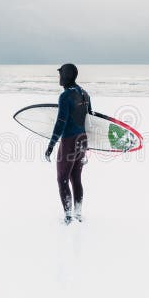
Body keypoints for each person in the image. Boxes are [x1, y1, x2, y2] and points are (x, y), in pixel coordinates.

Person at [45, 63, 91, 224]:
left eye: (61, 74)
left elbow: (61, 122)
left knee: (62, 179)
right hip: (82, 139)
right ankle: (78, 213)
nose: (59, 77)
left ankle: (68, 216)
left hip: (69, 141)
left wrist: (51, 145)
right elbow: (90, 121)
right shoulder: (85, 94)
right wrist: (88, 145)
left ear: (67, 76)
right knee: (76, 178)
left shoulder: (65, 97)